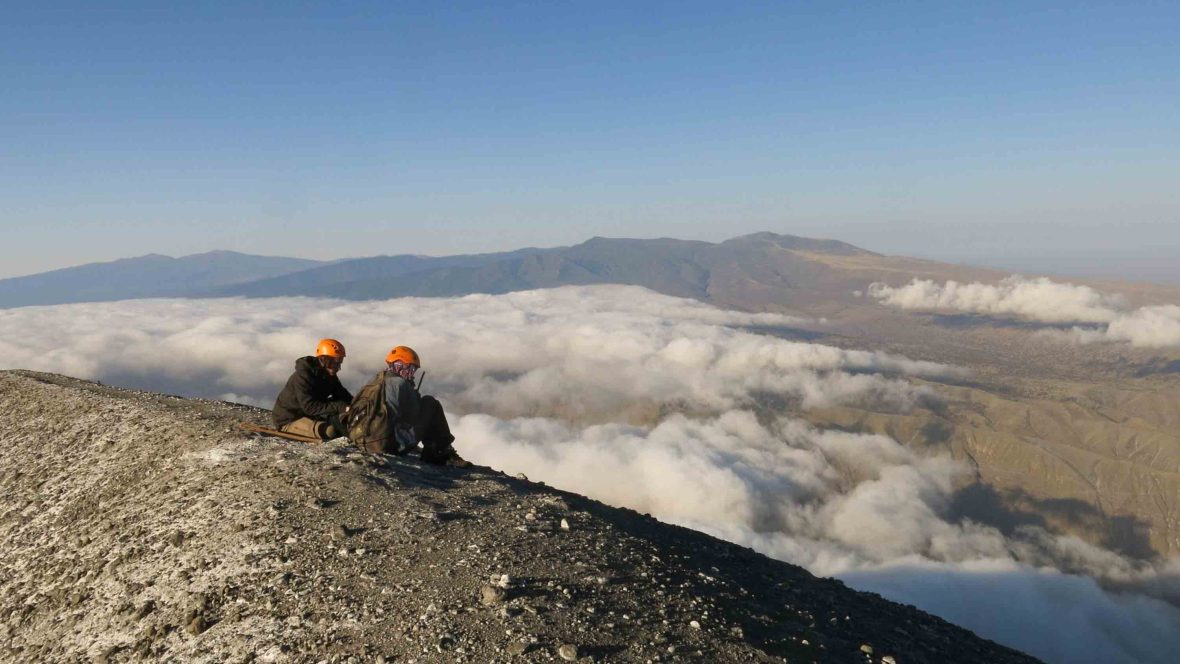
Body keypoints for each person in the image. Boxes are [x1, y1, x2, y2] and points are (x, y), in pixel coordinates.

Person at [380, 345, 470, 467]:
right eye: (411, 368)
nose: (412, 373)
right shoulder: (399, 384)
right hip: (392, 445)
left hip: (371, 440)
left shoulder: (378, 380)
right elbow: (412, 414)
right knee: (430, 403)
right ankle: (440, 452)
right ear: (401, 365)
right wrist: (412, 394)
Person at [272, 338, 354, 440]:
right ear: (324, 360)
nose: (338, 367)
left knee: (341, 410)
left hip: (310, 415)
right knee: (331, 431)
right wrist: (340, 407)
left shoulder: (328, 374)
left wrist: (357, 404)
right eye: (334, 362)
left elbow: (342, 394)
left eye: (339, 362)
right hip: (290, 419)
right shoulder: (303, 376)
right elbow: (309, 407)